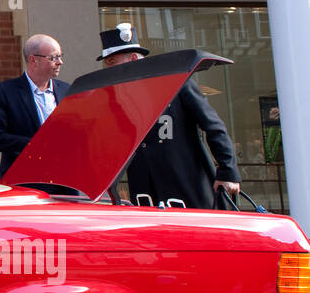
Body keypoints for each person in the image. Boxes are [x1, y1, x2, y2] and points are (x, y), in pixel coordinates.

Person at [98, 23, 241, 209]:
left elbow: (214, 127)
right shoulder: (119, 98)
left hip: (186, 182)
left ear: (133, 58)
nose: (108, 70)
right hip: (145, 188)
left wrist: (228, 172)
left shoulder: (176, 83)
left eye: (112, 63)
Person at [0, 33, 71, 180]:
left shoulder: (67, 90)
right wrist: (34, 145)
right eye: (54, 58)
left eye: (60, 56)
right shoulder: (5, 92)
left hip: (63, 179)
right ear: (33, 60)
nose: (60, 62)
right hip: (24, 180)